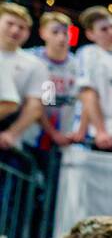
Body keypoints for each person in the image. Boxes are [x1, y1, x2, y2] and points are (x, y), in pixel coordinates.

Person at [73, 6, 112, 151]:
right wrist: (100, 130)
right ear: (90, 34)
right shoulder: (88, 53)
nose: (111, 32)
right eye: (104, 29)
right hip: (100, 135)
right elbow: (88, 94)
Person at [0, 3, 50, 152]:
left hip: (11, 145)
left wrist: (11, 134)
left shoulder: (37, 65)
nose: (15, 30)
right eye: (10, 23)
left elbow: (35, 107)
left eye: (22, 27)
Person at [26, 11, 79, 151]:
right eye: (55, 32)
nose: (61, 38)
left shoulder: (79, 65)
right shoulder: (31, 59)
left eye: (65, 33)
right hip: (30, 137)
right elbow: (38, 103)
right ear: (43, 33)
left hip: (65, 140)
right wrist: (52, 133)